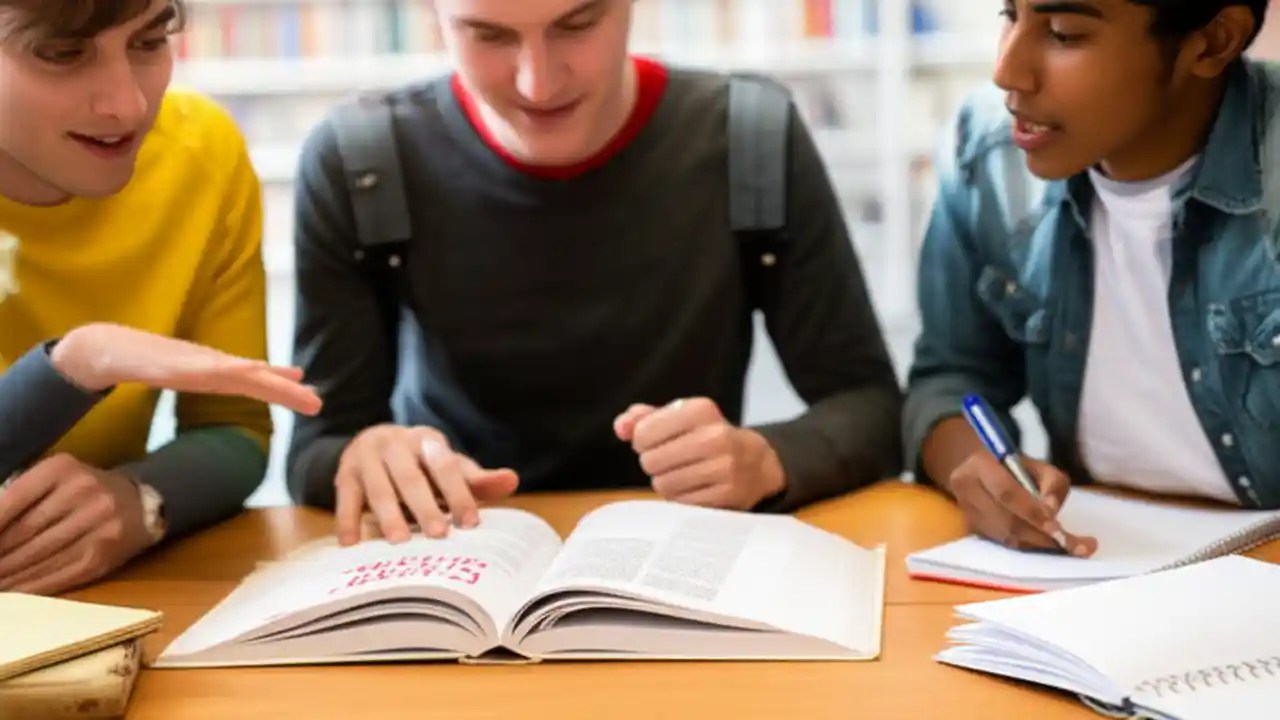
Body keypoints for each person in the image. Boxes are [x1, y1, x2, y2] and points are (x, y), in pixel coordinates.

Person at [288, 0, 904, 546]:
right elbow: (317, 448)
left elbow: (870, 407)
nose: (537, 81)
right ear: (431, 18)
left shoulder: (752, 136)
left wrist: (768, 459)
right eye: (488, 35)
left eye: (577, 24)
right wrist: (364, 456)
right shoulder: (360, 162)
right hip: (458, 558)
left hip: (684, 559)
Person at [905, 0, 1276, 557]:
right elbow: (950, 376)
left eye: (1063, 33)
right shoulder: (988, 152)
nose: (1007, 71)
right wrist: (974, 467)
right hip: (1103, 562)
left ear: (1213, 42)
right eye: (1008, 14)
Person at [0, 0, 314, 595]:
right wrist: (75, 365)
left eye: (149, 42)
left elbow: (237, 429)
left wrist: (141, 499)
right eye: (63, 53)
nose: (129, 105)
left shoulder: (200, 152)